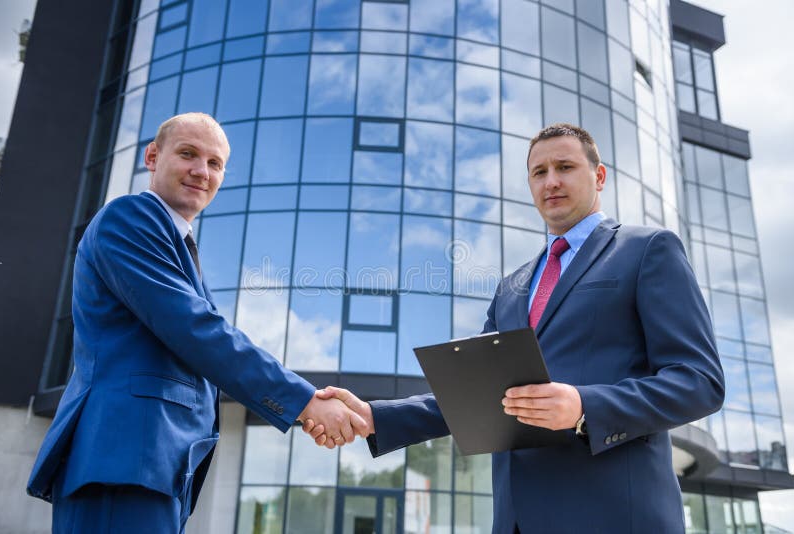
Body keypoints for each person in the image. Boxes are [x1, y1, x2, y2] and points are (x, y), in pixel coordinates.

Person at [306, 123, 725, 533]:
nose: (551, 182)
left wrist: (584, 406)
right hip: (516, 517)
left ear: (599, 177)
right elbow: (479, 396)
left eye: (565, 167)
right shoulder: (512, 287)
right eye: (539, 173)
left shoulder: (648, 250)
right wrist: (375, 416)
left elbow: (699, 382)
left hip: (614, 512)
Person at [26, 112, 368, 533]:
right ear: (153, 156)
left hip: (155, 471)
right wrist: (304, 401)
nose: (201, 171)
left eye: (214, 163)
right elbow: (196, 329)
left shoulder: (180, 247)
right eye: (188, 154)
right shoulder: (131, 217)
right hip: (123, 462)